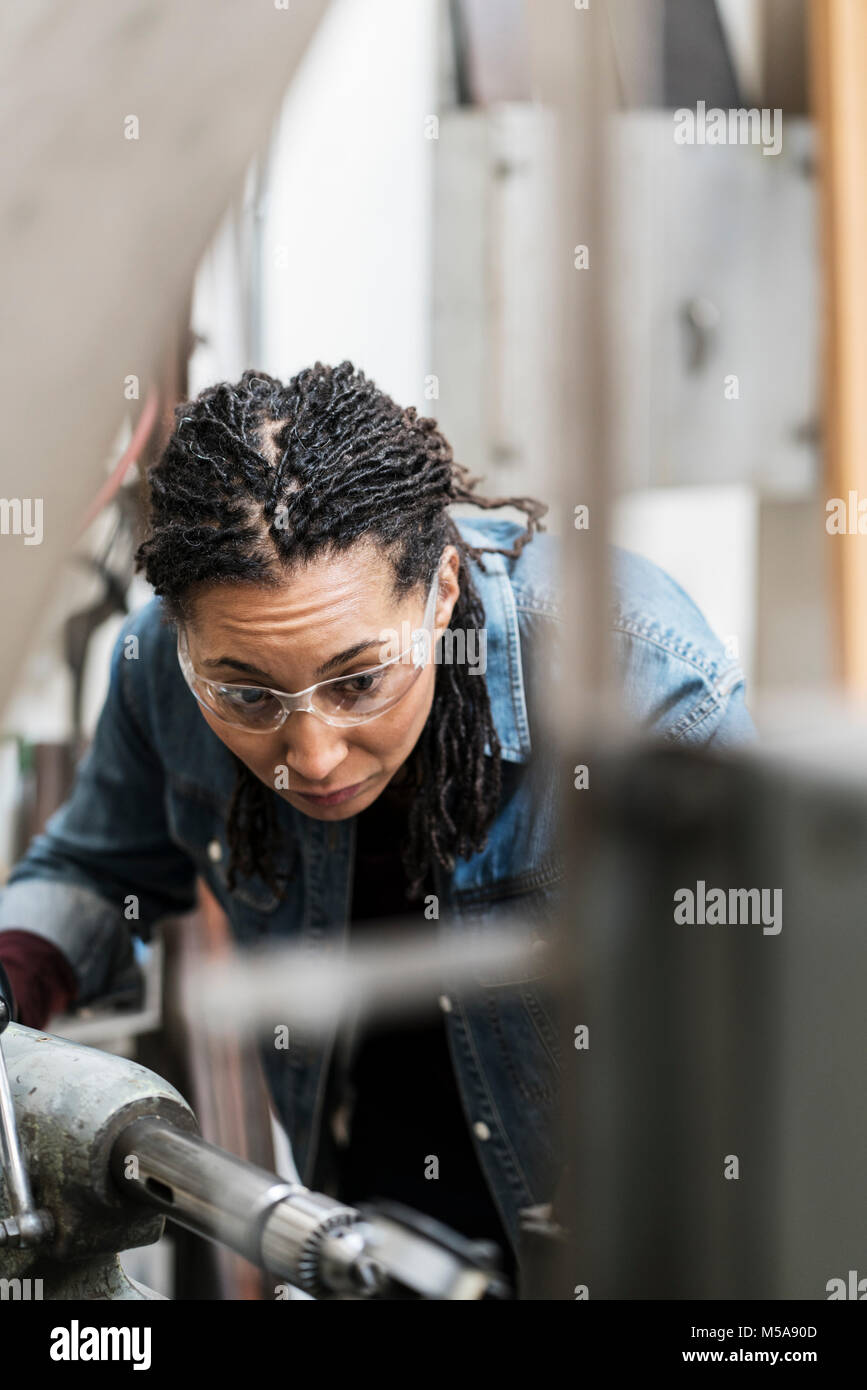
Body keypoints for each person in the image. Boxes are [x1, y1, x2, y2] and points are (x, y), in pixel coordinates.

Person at [0, 362, 754, 1290]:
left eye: (357, 681)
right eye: (246, 693)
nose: (312, 756)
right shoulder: (160, 668)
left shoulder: (639, 685)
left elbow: (772, 1032)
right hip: (361, 1240)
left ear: (439, 594)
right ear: (184, 636)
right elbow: (92, 869)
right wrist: (15, 969)